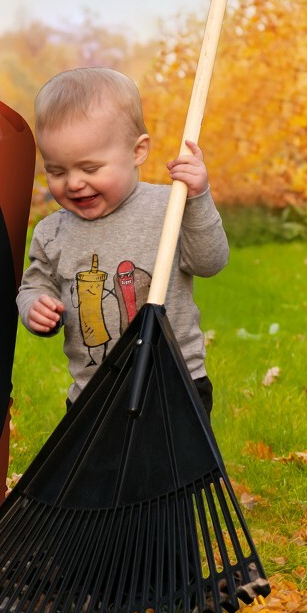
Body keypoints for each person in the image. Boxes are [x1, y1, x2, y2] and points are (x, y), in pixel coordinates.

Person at [16, 67, 228, 416]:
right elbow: (33, 286)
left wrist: (198, 198)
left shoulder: (170, 206)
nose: (73, 183)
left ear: (137, 152)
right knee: (96, 472)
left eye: (90, 168)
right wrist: (35, 305)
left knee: (168, 472)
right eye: (56, 171)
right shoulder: (52, 233)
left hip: (174, 384)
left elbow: (210, 262)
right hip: (93, 392)